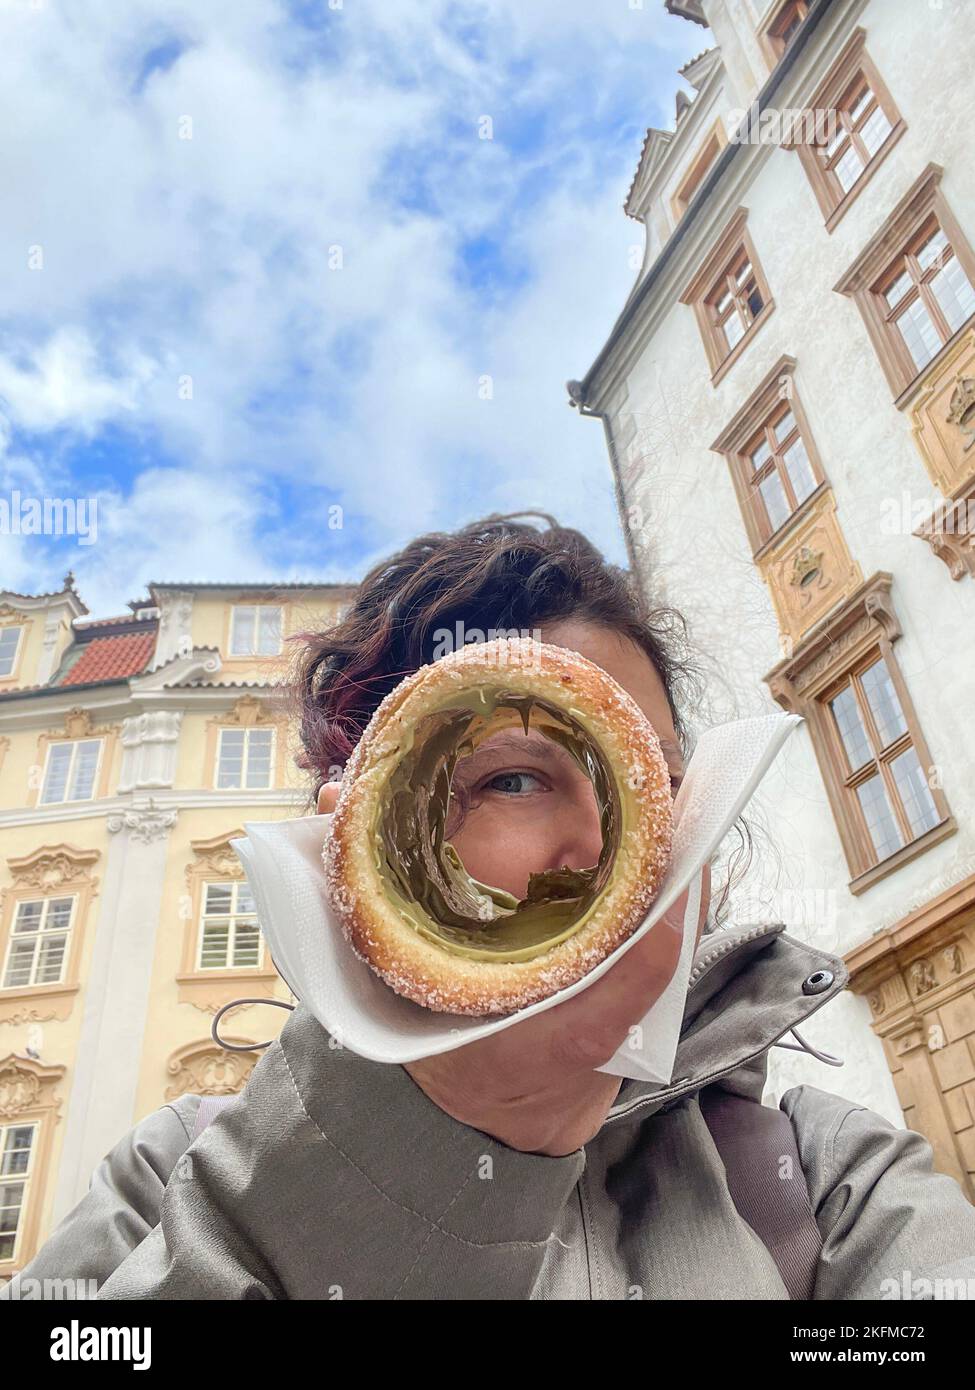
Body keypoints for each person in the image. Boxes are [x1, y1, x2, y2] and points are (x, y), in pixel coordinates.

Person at [5, 512, 974, 1301]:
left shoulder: (833, 1178)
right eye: (515, 778)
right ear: (370, 832)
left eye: (659, 785)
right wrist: (386, 1161)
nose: (603, 847)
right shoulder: (170, 1176)